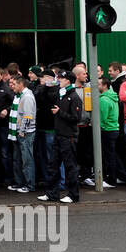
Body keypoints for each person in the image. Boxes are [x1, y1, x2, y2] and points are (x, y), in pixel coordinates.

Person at [40, 70, 82, 204]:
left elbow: (76, 118)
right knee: (52, 165)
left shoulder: (74, 97)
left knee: (70, 166)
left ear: (68, 81)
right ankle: (52, 193)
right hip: (59, 135)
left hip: (68, 136)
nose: (59, 80)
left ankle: (73, 194)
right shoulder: (61, 94)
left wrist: (60, 112)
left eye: (62, 79)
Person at [6, 73, 36, 194]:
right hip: (17, 132)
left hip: (25, 133)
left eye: (14, 84)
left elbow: (28, 116)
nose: (12, 87)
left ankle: (29, 184)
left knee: (27, 160)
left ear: (21, 84)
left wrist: (22, 131)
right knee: (18, 159)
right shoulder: (18, 95)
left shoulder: (27, 97)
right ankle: (20, 183)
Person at [97, 77, 123, 187]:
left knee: (109, 156)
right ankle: (121, 176)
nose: (96, 86)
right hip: (114, 129)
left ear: (104, 86)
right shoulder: (113, 97)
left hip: (107, 130)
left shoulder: (103, 99)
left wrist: (96, 126)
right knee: (114, 155)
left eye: (98, 84)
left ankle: (111, 180)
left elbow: (102, 118)